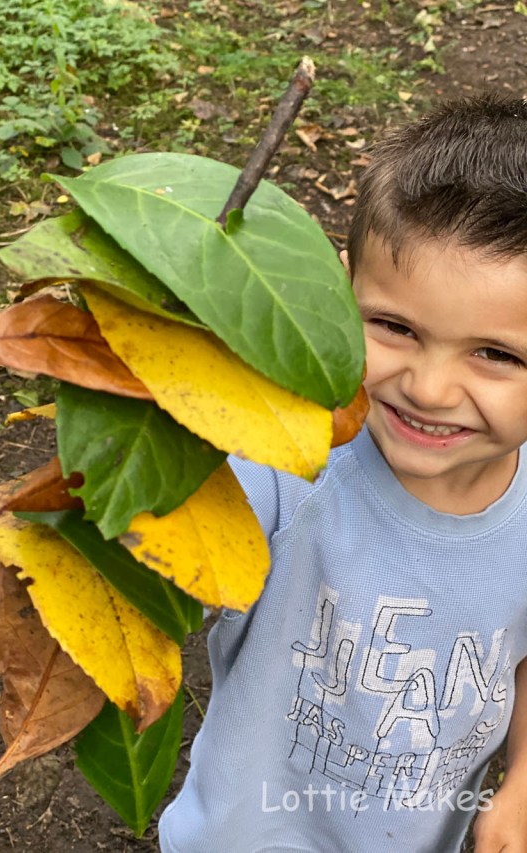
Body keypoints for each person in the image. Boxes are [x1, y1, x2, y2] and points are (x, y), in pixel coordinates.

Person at [158, 93, 527, 853]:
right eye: (394, 327)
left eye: (497, 355)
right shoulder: (280, 464)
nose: (428, 388)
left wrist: (520, 786)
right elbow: (155, 577)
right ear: (338, 291)